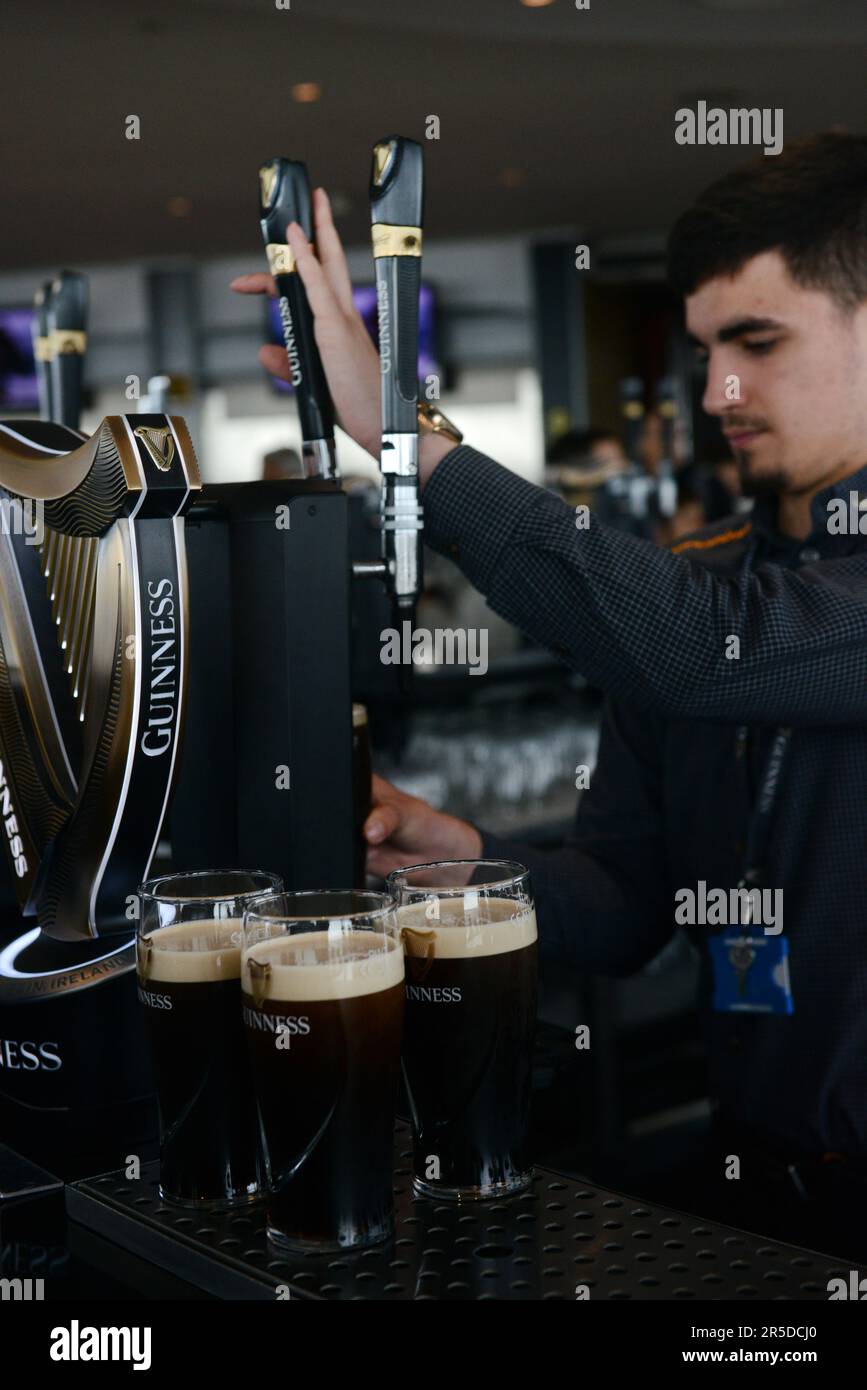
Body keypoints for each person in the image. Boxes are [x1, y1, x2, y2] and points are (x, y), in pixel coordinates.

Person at [232, 132, 867, 1262]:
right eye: (709, 347)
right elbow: (624, 905)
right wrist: (463, 858)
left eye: (759, 343)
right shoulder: (710, 573)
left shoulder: (698, 619)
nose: (719, 388)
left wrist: (403, 437)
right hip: (753, 1196)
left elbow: (703, 651)